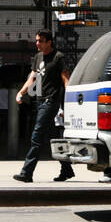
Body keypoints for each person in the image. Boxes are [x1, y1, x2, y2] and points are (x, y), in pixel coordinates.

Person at [13, 30, 72, 183]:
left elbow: (67, 81)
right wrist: (22, 92)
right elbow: (32, 78)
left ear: (49, 42)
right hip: (40, 101)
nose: (37, 43)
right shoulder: (38, 57)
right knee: (53, 138)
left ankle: (27, 172)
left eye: (41, 41)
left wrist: (68, 105)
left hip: (51, 102)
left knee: (36, 137)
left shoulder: (59, 58)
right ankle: (67, 169)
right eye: (37, 40)